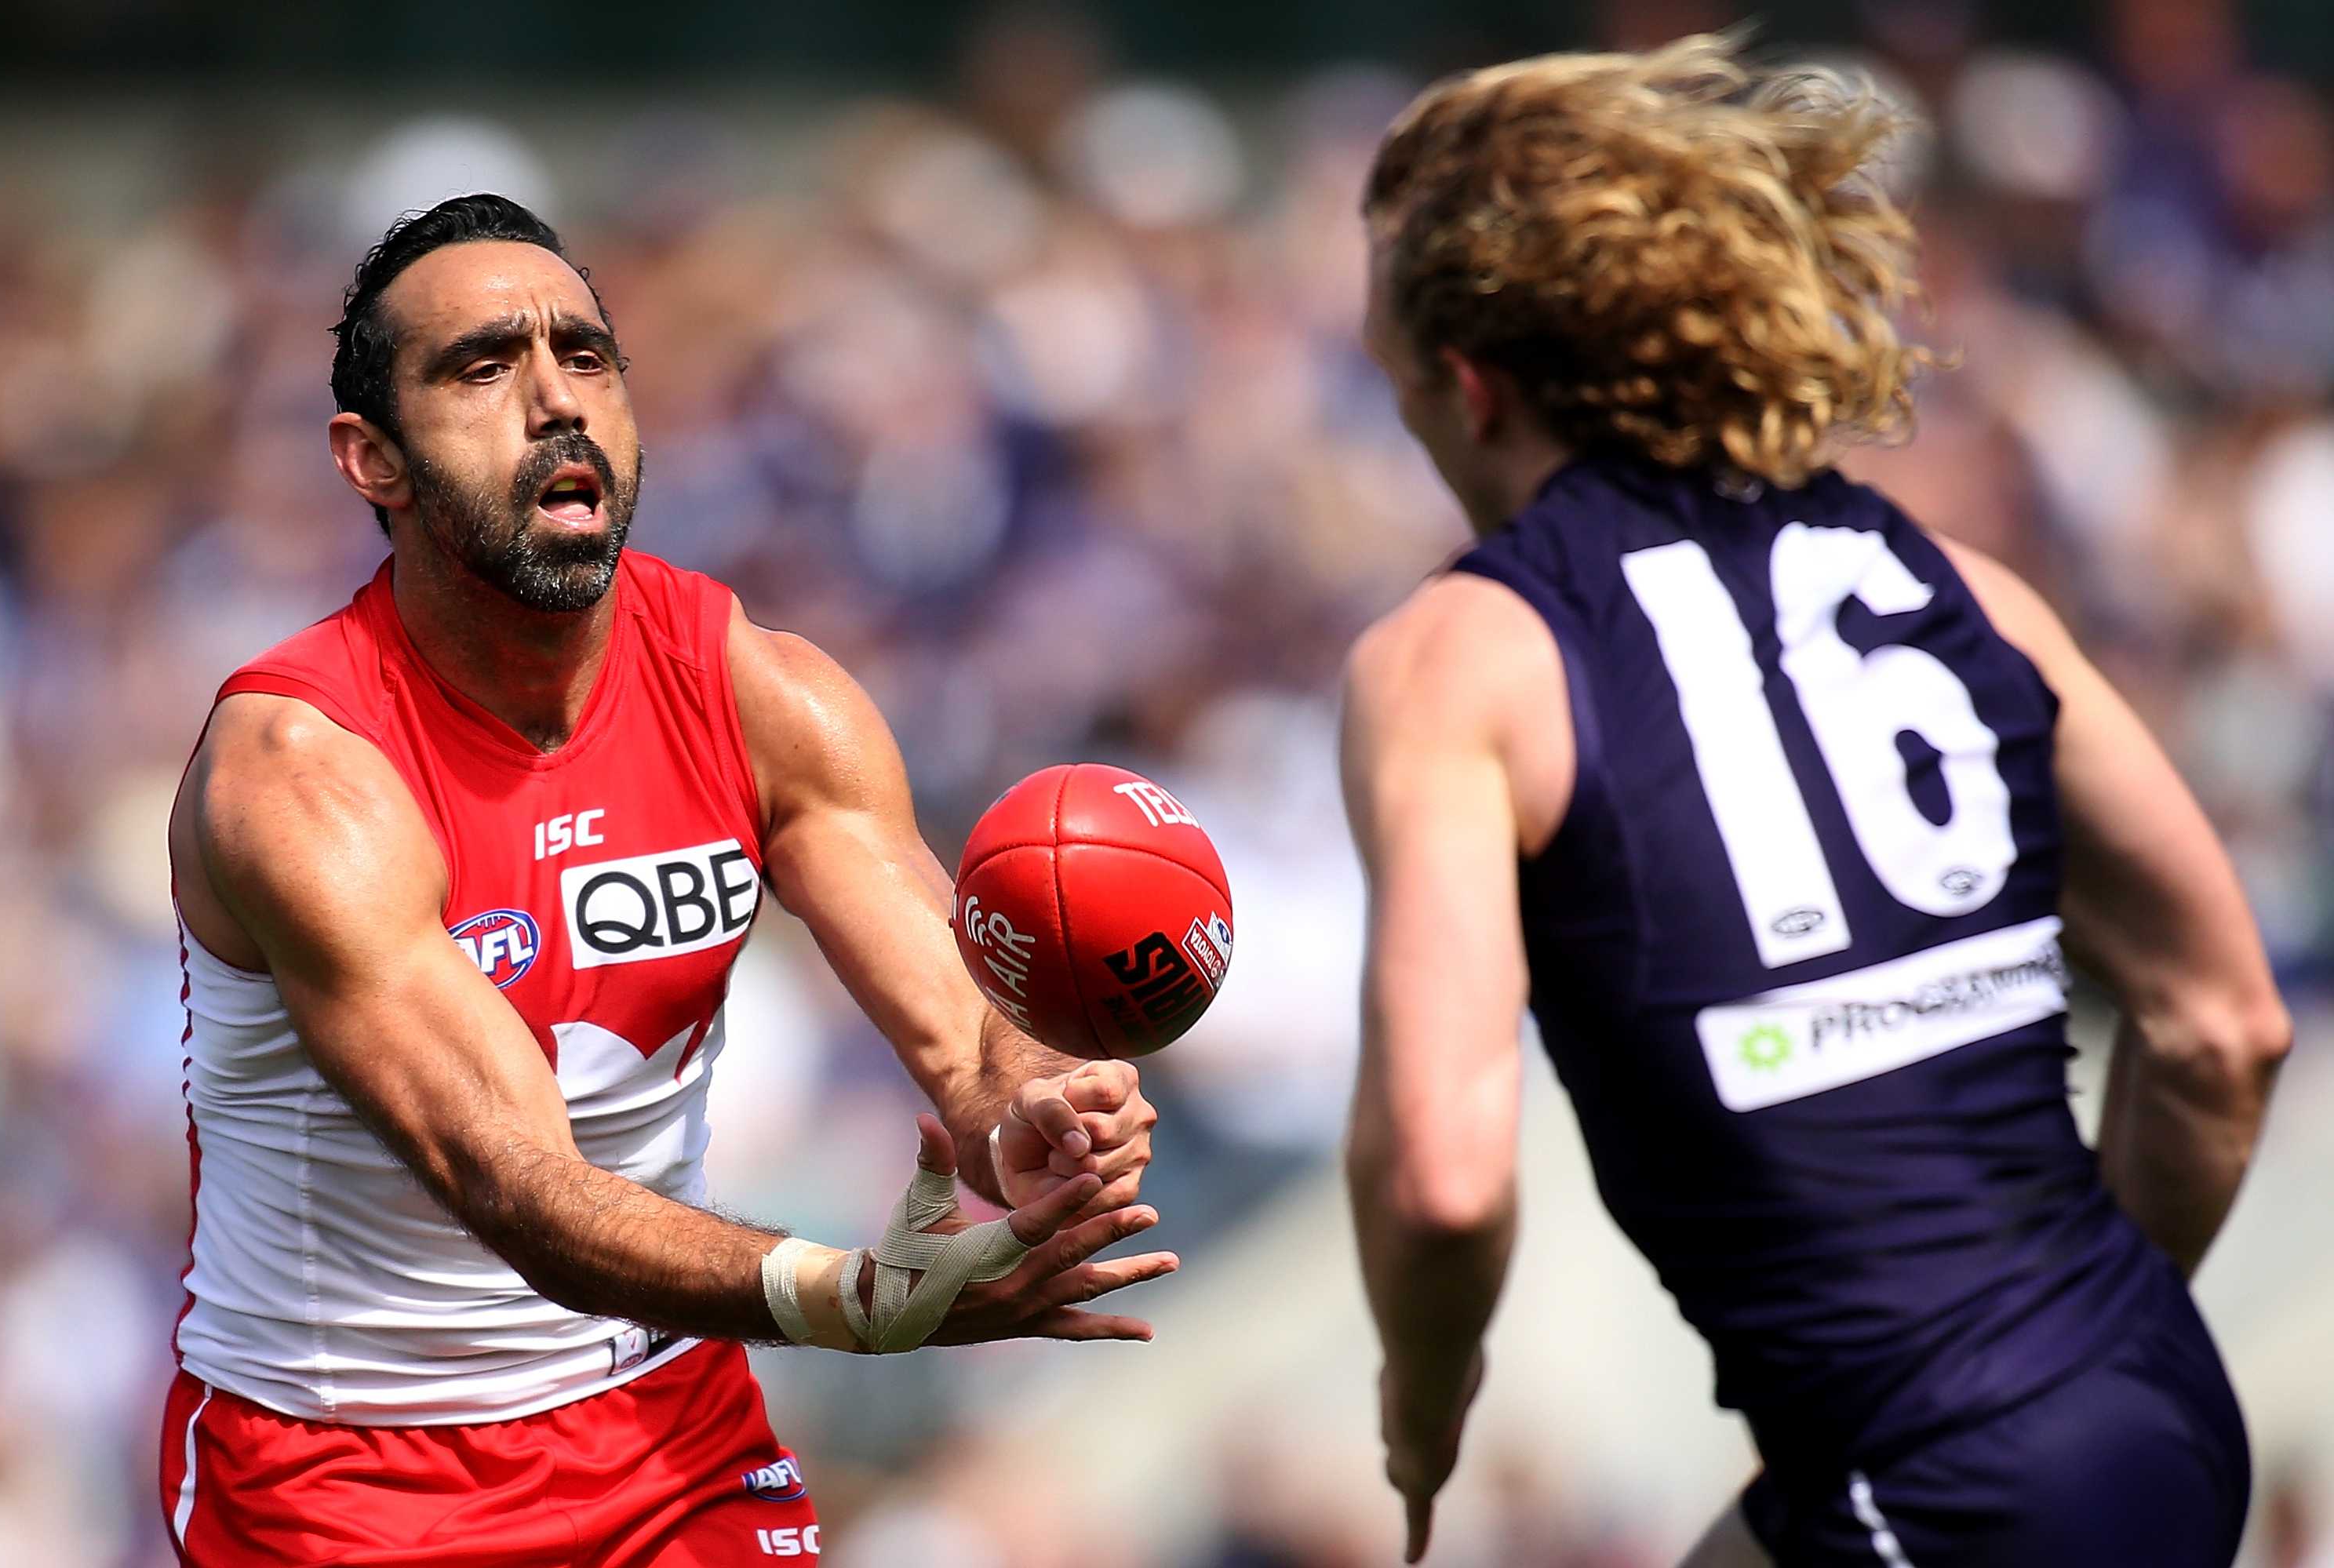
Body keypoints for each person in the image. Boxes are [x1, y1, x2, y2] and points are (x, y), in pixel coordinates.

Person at [1340, 37, 2290, 1568]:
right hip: (2153, 1408)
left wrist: (1420, 1416)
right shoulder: (1966, 590)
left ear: (1468, 382)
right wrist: (2075, 1367)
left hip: (1940, 1477)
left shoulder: (1460, 659)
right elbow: (2222, 1026)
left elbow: (1446, 1176)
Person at [158, 194, 1174, 1568]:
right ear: (371, 461)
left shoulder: (763, 690)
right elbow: (519, 1186)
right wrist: (854, 1297)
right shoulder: (299, 770)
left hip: (667, 1423)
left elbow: (967, 1043)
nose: (553, 401)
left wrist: (1038, 1115)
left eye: (585, 357)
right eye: (481, 368)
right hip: (348, 1477)